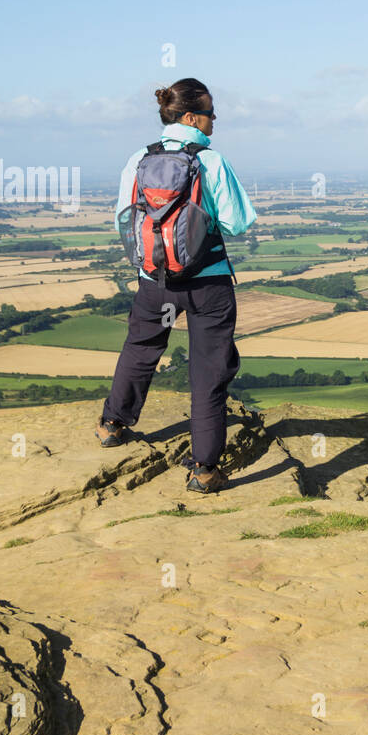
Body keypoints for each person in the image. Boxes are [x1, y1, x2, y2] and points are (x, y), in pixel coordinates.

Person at [96, 77, 256, 493]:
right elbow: (238, 222)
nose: (215, 118)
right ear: (190, 116)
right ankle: (203, 469)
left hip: (154, 280)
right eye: (209, 111)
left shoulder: (137, 160)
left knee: (141, 348)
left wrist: (153, 255)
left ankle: (112, 425)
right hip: (208, 283)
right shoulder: (212, 161)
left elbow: (122, 217)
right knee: (209, 372)